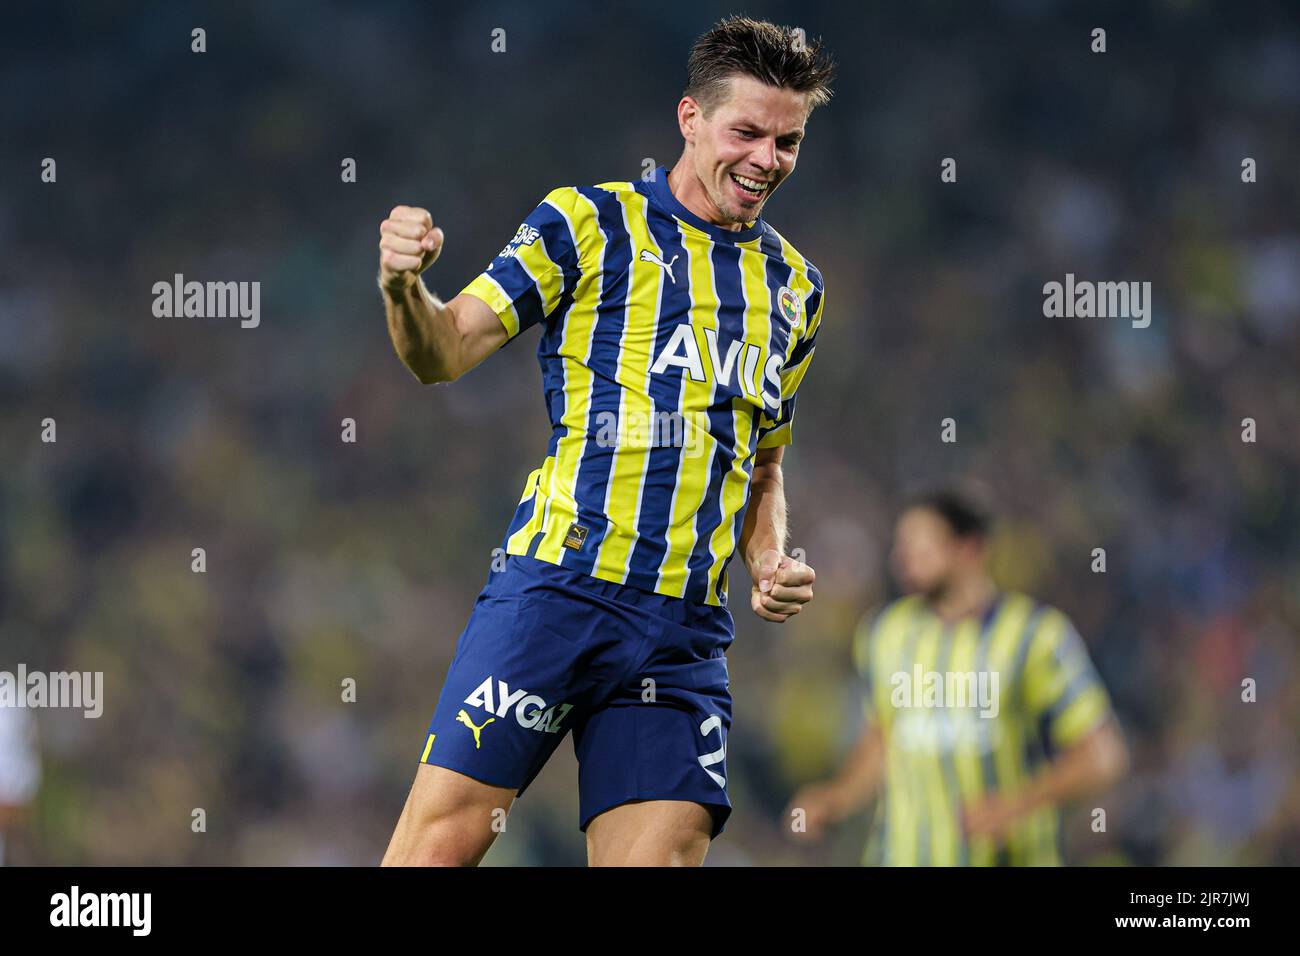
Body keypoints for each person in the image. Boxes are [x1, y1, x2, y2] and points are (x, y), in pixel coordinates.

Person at [378, 16, 835, 866]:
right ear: (690, 119)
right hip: (560, 592)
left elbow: (763, 461)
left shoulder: (796, 287)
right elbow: (442, 353)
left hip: (683, 632)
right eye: (747, 132)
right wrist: (404, 285)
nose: (767, 159)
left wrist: (767, 558)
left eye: (789, 140)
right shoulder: (587, 223)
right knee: (438, 849)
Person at [788, 490, 1129, 865]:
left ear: (969, 549)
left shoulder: (1035, 637)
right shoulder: (885, 633)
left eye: (921, 545)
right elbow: (885, 736)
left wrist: (1016, 806)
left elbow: (1102, 757)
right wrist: (837, 798)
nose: (902, 559)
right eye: (902, 547)